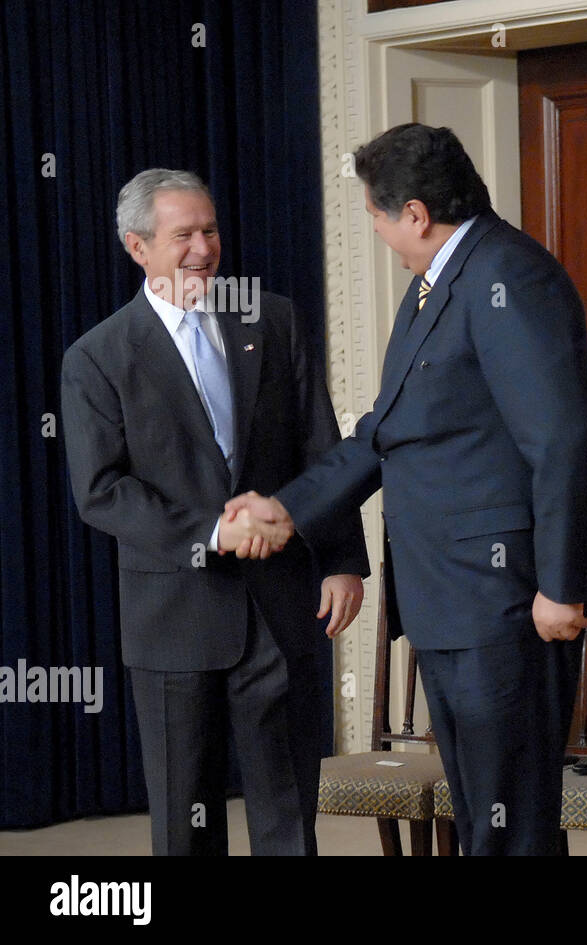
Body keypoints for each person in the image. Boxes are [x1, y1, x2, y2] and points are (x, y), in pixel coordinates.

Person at [227, 124, 587, 855]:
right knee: (482, 822)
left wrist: (561, 584)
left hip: (507, 602)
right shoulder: (432, 288)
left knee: (513, 821)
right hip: (448, 601)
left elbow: (563, 436)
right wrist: (286, 507)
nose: (375, 231)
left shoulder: (509, 275)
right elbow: (385, 431)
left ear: (412, 212)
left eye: (374, 215)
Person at [60, 169, 369, 855]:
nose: (204, 248)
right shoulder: (98, 358)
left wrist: (344, 562)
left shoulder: (274, 319)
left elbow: (321, 451)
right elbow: (101, 489)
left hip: (279, 606)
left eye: (210, 230)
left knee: (289, 814)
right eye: (184, 235)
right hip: (173, 618)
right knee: (186, 822)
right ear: (138, 247)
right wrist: (210, 531)